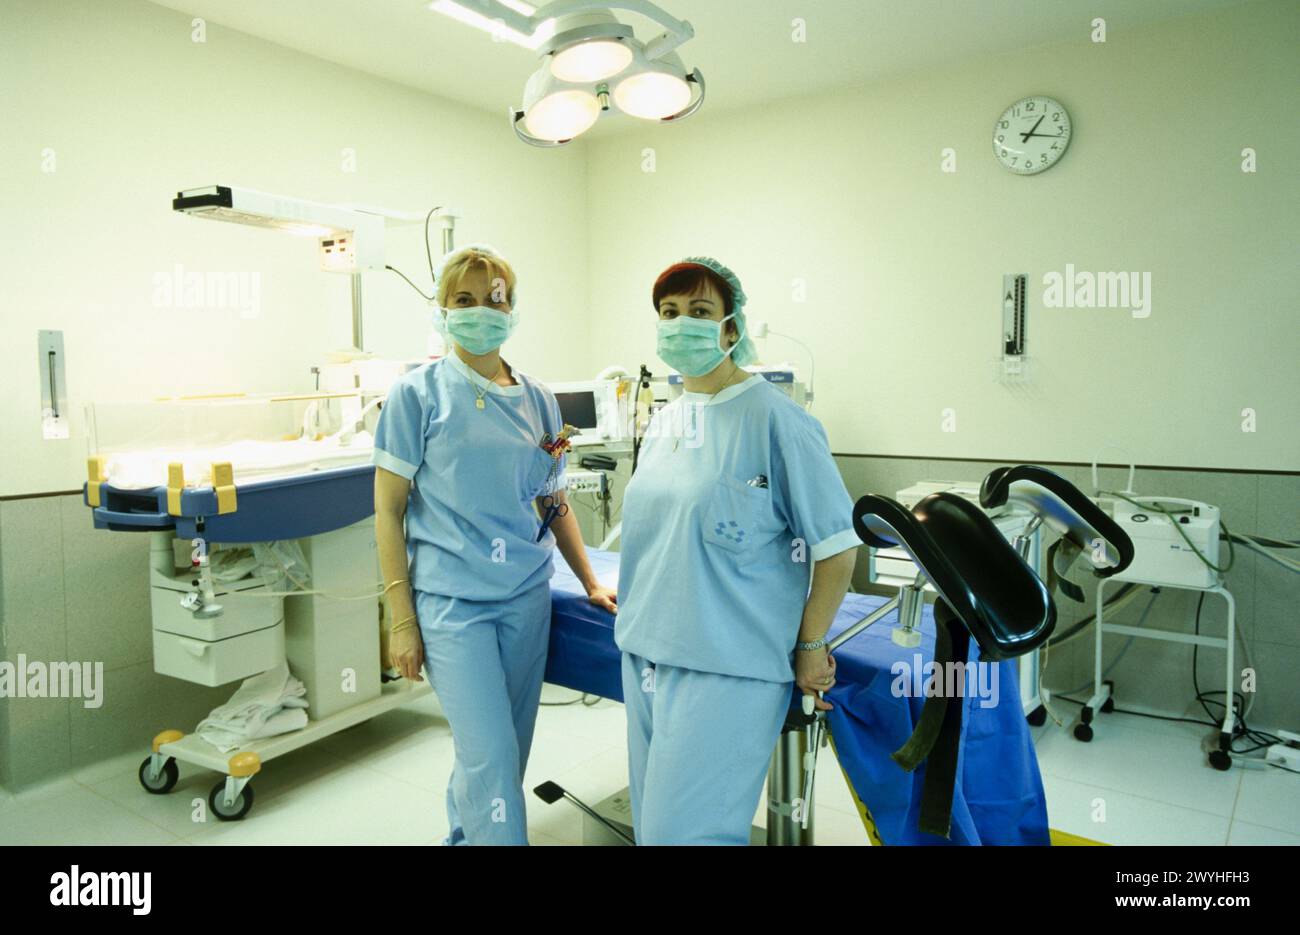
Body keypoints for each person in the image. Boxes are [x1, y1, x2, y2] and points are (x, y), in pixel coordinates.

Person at [372, 244, 616, 846]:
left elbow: (552, 500)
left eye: (494, 300)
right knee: (489, 756)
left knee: (505, 753)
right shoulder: (417, 394)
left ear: (513, 311)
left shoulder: (539, 399)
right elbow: (387, 507)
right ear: (442, 311)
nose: (480, 310)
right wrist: (400, 616)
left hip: (525, 597)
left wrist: (588, 579)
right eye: (464, 300)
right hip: (453, 602)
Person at [614, 256, 859, 845]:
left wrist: (811, 644)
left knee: (687, 836)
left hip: (728, 666)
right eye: (669, 313)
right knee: (654, 831)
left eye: (699, 312)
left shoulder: (778, 421)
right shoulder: (668, 422)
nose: (681, 325)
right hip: (646, 654)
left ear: (731, 329)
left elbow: (836, 548)